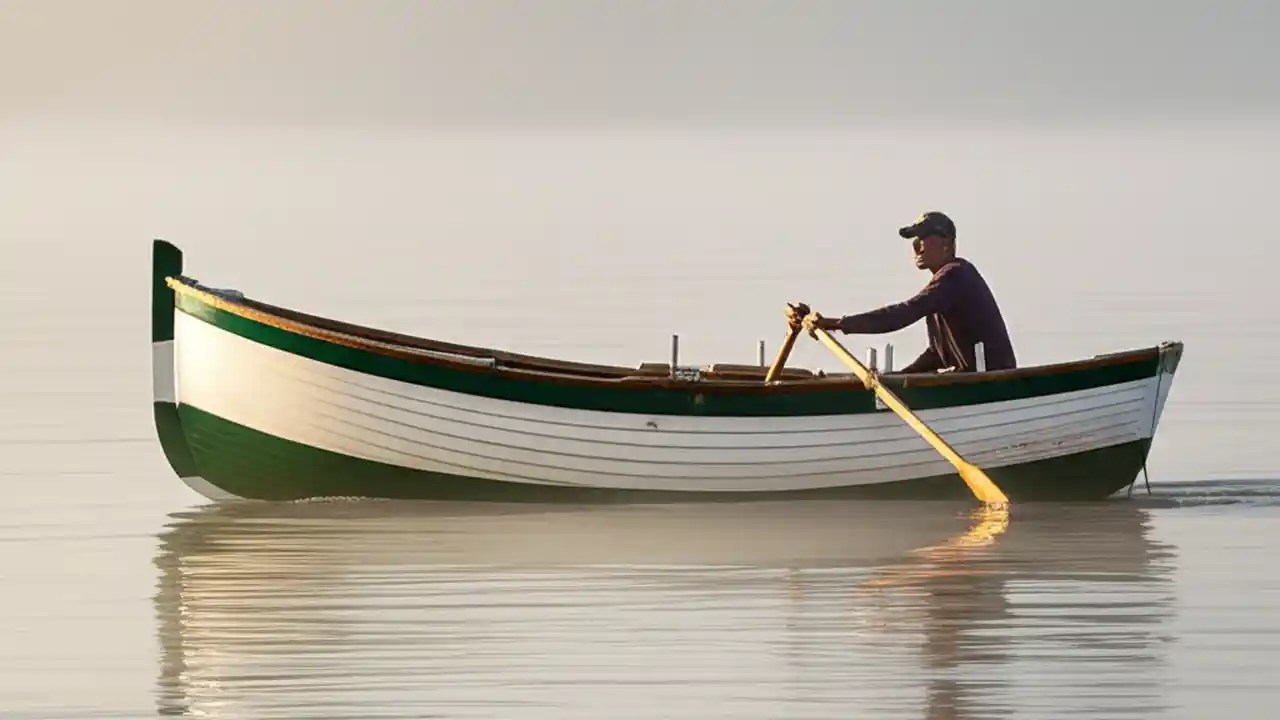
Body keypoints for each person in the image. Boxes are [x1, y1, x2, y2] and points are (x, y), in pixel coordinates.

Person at [799, 211, 1016, 373]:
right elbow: (937, 354)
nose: (918, 247)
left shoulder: (955, 276)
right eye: (915, 241)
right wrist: (902, 377)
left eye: (924, 239)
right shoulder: (944, 283)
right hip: (972, 379)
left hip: (993, 383)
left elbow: (904, 313)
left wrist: (837, 324)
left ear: (947, 244)